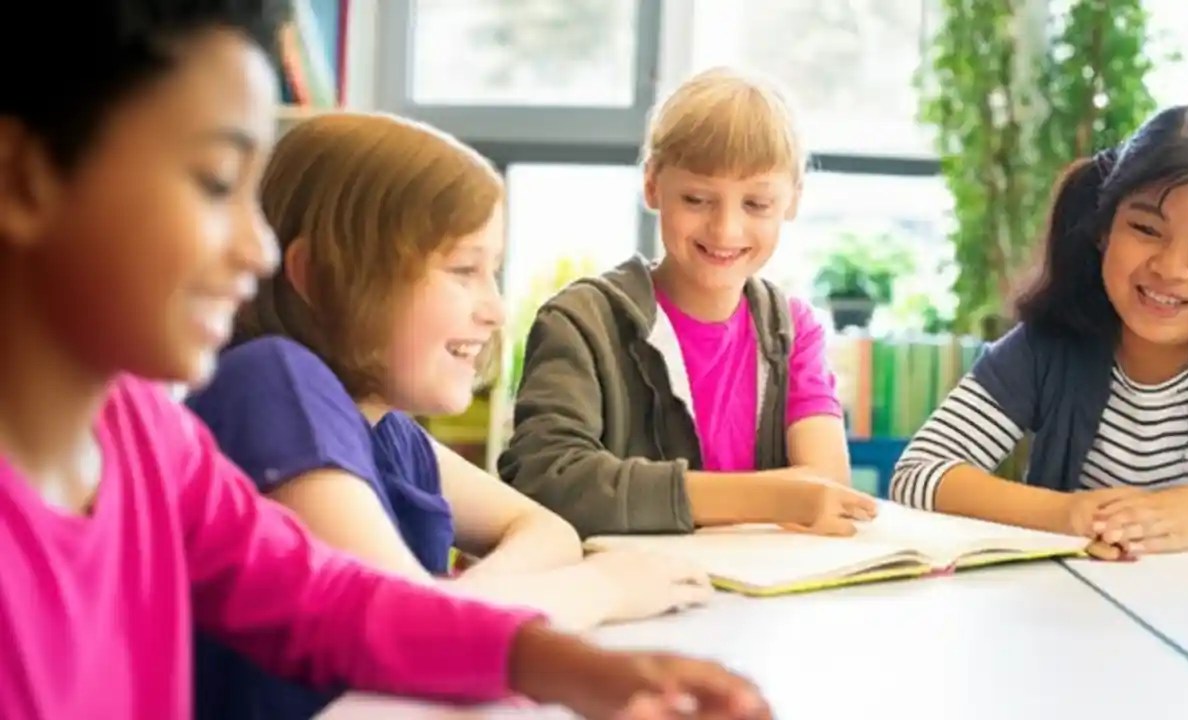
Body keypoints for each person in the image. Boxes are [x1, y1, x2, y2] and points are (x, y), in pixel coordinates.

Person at [0, 4, 772, 719]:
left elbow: (334, 603)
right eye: (213, 183)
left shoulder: (148, 441)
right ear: (26, 175)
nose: (258, 247)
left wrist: (573, 669)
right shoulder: (260, 388)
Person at [188, 111, 718, 719]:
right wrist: (601, 589)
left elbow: (547, 532)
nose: (495, 309)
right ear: (321, 275)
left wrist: (464, 607)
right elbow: (399, 632)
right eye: (464, 271)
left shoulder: (384, 429)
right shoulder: (273, 382)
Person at [499, 67, 878, 539]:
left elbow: (826, 487)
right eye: (697, 199)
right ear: (653, 184)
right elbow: (548, 479)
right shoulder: (581, 323)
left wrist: (796, 495)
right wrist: (776, 496)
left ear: (793, 200)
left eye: (756, 205)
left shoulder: (793, 329)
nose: (725, 231)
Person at [891, 99, 1188, 558]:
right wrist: (1064, 514)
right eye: (1146, 229)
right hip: (1070, 616)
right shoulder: (1045, 349)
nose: (1171, 269)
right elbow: (917, 474)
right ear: (1103, 229)